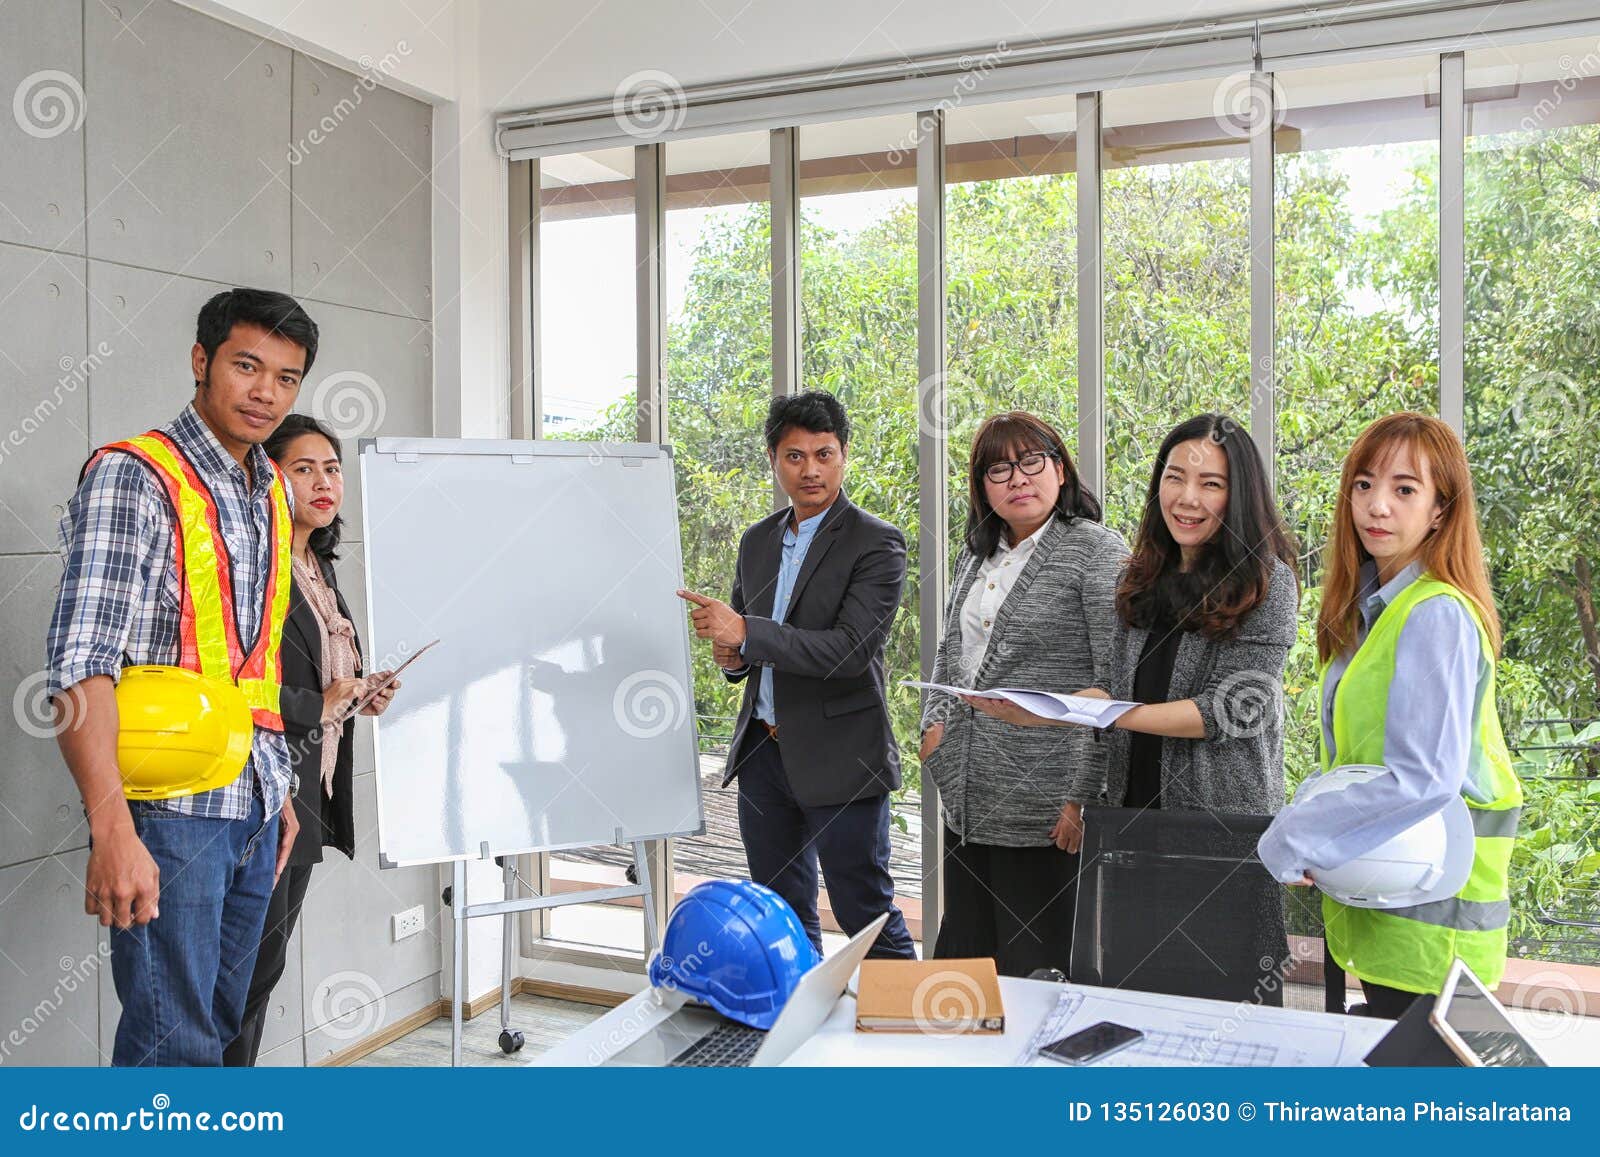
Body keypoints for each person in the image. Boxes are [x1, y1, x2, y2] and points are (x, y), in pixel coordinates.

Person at [48, 288, 319, 1066]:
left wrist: (280, 789)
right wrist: (113, 828)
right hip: (168, 814)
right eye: (246, 365)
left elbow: (253, 669)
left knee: (227, 1030)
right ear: (201, 362)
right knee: (175, 1044)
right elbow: (79, 665)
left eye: (287, 377)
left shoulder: (269, 488)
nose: (266, 391)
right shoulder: (133, 476)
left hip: (256, 802)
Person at [964, 413, 1298, 972]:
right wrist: (1040, 713)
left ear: (1239, 495)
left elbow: (1234, 711)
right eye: (1174, 477)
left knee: (1217, 1012)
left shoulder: (1267, 582)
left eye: (1210, 484)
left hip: (1216, 832)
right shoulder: (1143, 575)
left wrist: (1111, 715)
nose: (1187, 498)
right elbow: (1114, 694)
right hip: (1130, 828)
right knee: (1131, 1003)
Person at [1258, 412, 1522, 1019]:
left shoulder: (1436, 614)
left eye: (1405, 489)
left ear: (1440, 510)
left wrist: (1297, 833)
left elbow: (1423, 777)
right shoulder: (1372, 613)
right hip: (1389, 915)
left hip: (1433, 937)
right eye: (1364, 484)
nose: (1378, 505)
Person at [678, 389, 916, 960]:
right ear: (773, 459)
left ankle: (910, 1043)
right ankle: (800, 1036)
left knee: (866, 913)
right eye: (795, 456)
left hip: (841, 756)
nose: (811, 469)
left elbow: (850, 651)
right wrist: (734, 658)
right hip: (764, 755)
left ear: (844, 455)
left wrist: (748, 635)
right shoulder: (757, 541)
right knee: (779, 915)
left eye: (824, 454)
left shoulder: (876, 541)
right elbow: (749, 641)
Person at [918, 412, 1126, 977]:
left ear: (1060, 470)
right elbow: (949, 658)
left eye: (1032, 462)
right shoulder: (977, 553)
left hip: (1046, 809)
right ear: (982, 486)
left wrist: (1083, 797)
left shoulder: (1095, 551)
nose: (1018, 478)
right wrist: (931, 735)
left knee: (1034, 973)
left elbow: (1115, 683)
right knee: (962, 975)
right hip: (969, 798)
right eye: (999, 469)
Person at [225, 414, 399, 1066]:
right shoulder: (256, 569)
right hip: (258, 795)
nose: (324, 481)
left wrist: (359, 693)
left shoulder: (317, 566)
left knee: (257, 972)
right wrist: (315, 703)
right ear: (268, 478)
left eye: (332, 467)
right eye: (304, 468)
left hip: (310, 796)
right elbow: (224, 682)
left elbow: (325, 676)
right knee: (237, 977)